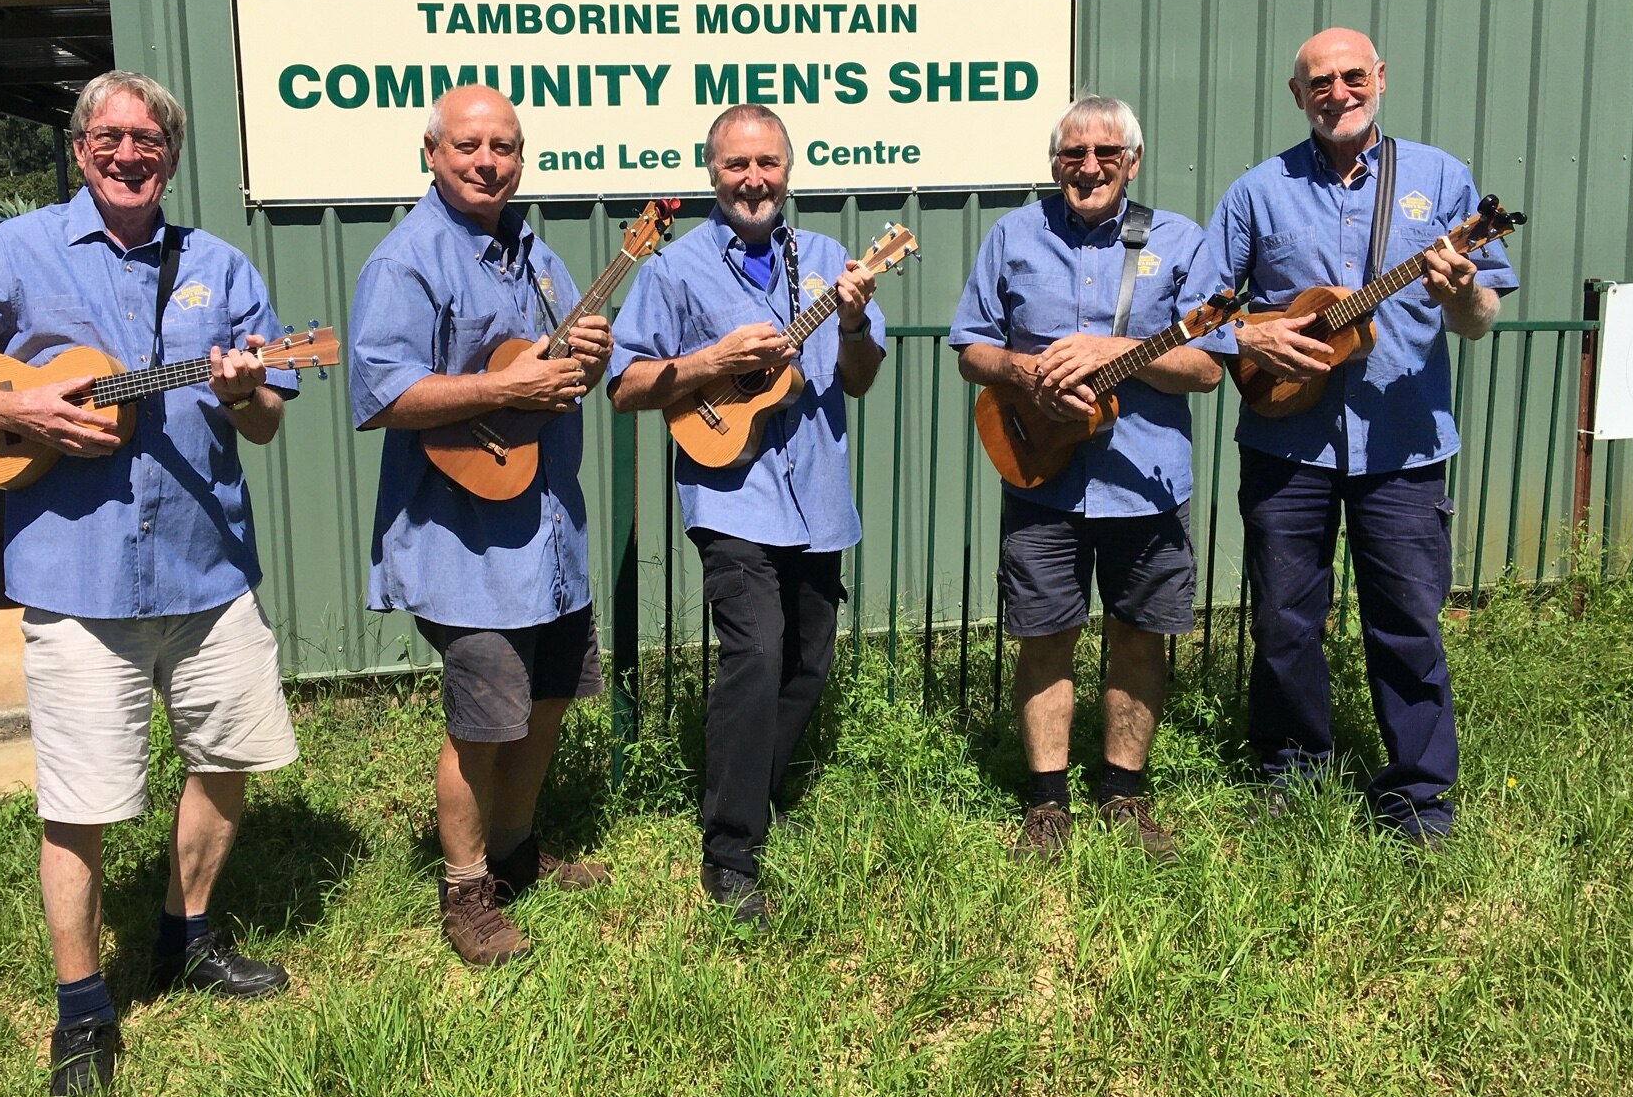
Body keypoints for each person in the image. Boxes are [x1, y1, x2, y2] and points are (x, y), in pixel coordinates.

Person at [0, 70, 304, 1097]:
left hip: (208, 567)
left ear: (172, 154)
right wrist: (14, 408)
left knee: (225, 757)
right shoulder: (19, 253)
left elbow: (270, 413)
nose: (128, 154)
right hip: (76, 577)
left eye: (148, 139)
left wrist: (245, 390)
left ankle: (184, 936)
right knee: (80, 800)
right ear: (79, 149)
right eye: (109, 137)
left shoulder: (220, 268)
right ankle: (82, 1011)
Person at [1180, 28, 1518, 846]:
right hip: (1283, 445)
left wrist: (1459, 290)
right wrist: (1249, 340)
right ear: (1297, 96)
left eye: (1352, 76)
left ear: (1380, 79)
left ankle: (1417, 798)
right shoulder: (1258, 192)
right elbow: (1198, 316)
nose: (1338, 91)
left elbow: (1480, 320)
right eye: (1318, 82)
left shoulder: (1439, 180)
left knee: (1407, 619)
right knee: (1286, 619)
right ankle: (1293, 770)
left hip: (1404, 446)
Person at [348, 85, 612, 969]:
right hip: (461, 543)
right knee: (482, 720)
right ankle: (465, 891)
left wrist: (591, 354)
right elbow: (384, 393)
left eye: (503, 145)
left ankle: (515, 849)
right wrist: (506, 389)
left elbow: (568, 359)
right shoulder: (407, 261)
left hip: (548, 535)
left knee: (545, 704)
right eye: (468, 145)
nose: (486, 161)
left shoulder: (536, 257)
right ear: (432, 152)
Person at [607, 104, 884, 929]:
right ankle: (729, 852)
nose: (753, 180)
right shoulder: (675, 267)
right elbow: (625, 386)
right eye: (736, 166)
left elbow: (860, 378)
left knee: (807, 662)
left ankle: (754, 790)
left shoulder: (828, 260)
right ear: (713, 174)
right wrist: (710, 361)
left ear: (788, 171)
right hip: (730, 494)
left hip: (818, 497)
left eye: (767, 164)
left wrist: (857, 319)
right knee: (755, 653)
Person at [951, 95, 1222, 862]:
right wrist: (1025, 371)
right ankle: (1046, 804)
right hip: (1041, 478)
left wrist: (1113, 352)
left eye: (1107, 153)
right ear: (1054, 162)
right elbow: (971, 346)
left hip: (1148, 483)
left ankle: (1124, 792)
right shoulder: (1013, 234)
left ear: (1133, 161)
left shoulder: (1178, 241)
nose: (1090, 167)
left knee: (1140, 638)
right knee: (1044, 638)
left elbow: (1207, 364)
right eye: (1074, 154)